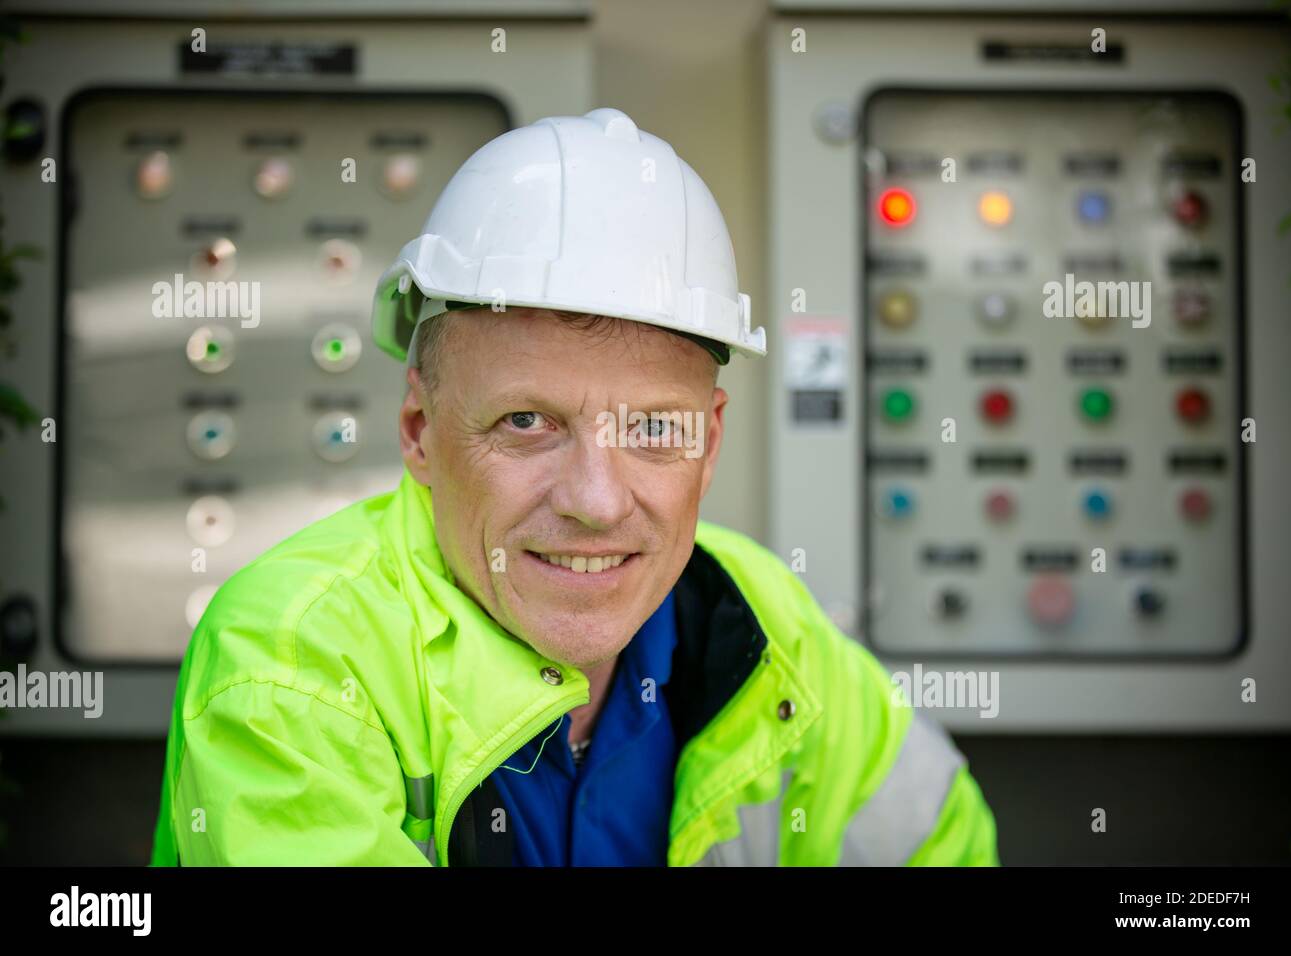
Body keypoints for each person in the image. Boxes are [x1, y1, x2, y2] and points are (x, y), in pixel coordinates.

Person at [150, 108, 998, 866]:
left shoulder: (764, 626)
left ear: (709, 445)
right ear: (418, 432)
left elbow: (940, 843)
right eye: (526, 422)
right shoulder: (290, 666)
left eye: (654, 428)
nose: (595, 501)